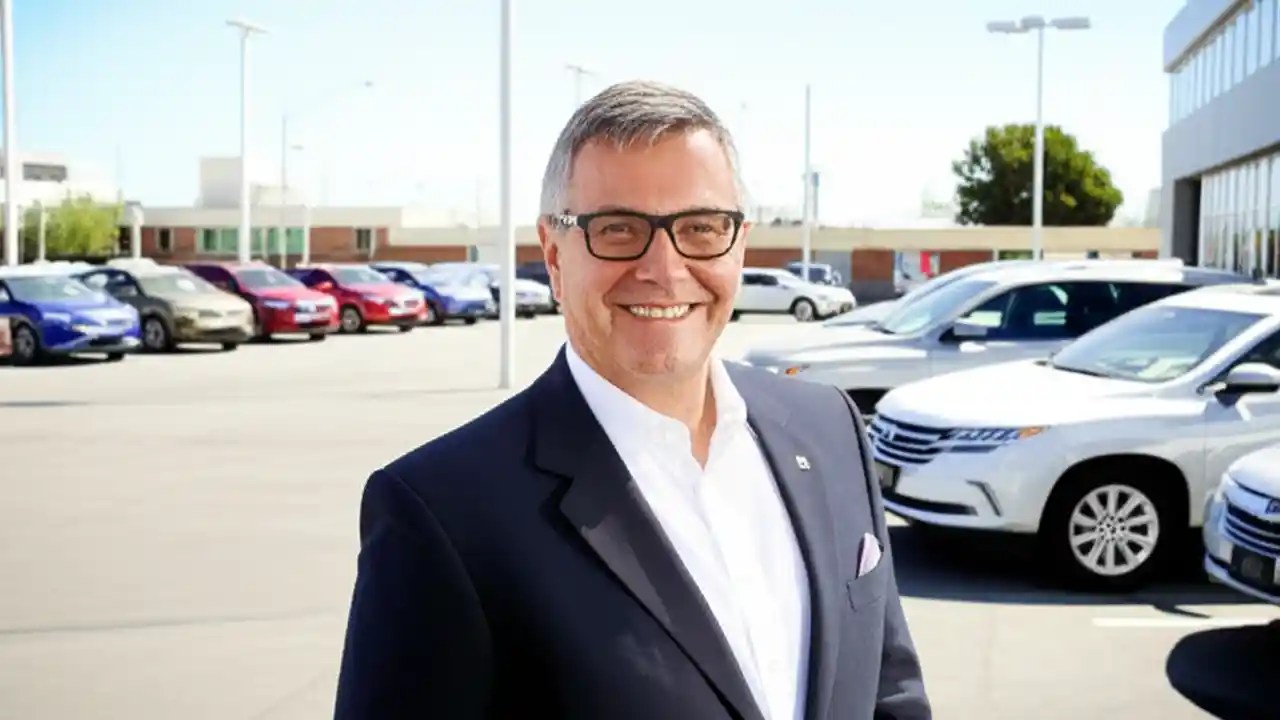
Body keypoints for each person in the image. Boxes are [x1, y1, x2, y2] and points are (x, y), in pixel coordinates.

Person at [333, 80, 930, 720]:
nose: (664, 270)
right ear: (553, 255)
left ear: (739, 242)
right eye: (617, 229)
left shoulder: (830, 429)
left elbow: (890, 695)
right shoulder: (441, 513)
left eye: (700, 228)